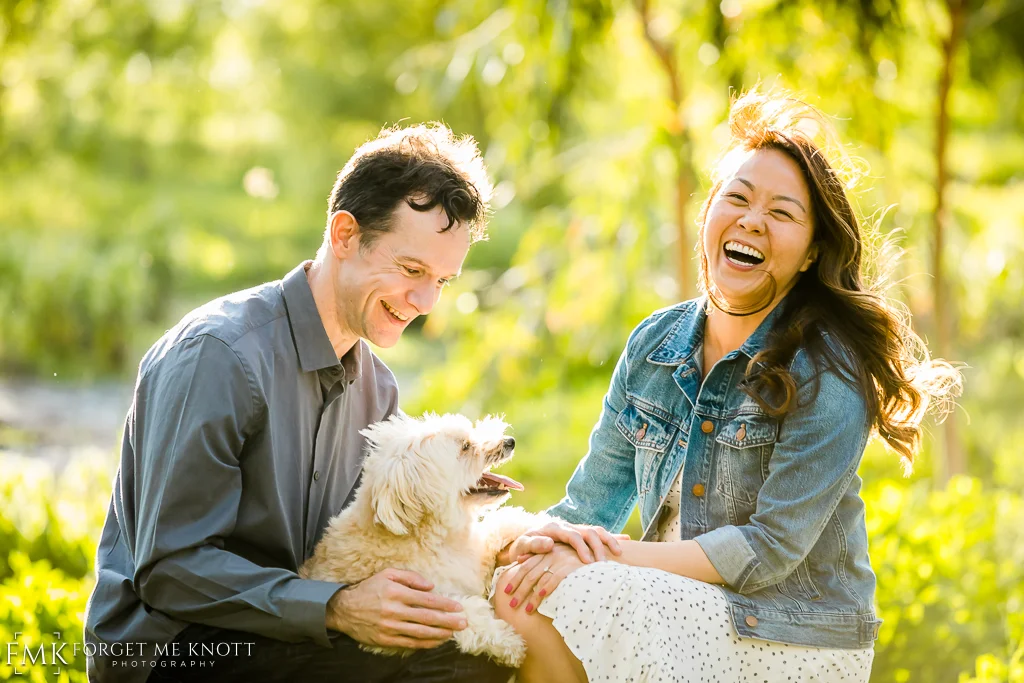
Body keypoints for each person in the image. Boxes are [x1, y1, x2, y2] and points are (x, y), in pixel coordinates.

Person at [492, 90, 961, 683]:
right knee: (517, 590)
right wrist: (533, 546)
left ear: (812, 252)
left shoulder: (828, 370)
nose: (752, 220)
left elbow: (769, 549)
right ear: (708, 212)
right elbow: (588, 508)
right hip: (669, 605)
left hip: (794, 635)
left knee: (588, 588)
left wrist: (604, 560)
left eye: (782, 213)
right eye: (737, 198)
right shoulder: (654, 345)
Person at [85, 123, 524, 683]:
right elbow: (170, 571)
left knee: (482, 645)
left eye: (442, 281)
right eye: (412, 270)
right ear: (345, 235)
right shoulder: (217, 356)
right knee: (455, 665)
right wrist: (335, 607)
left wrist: (511, 546)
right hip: (175, 649)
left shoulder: (379, 390)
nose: (425, 302)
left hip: (294, 633)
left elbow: (381, 539)